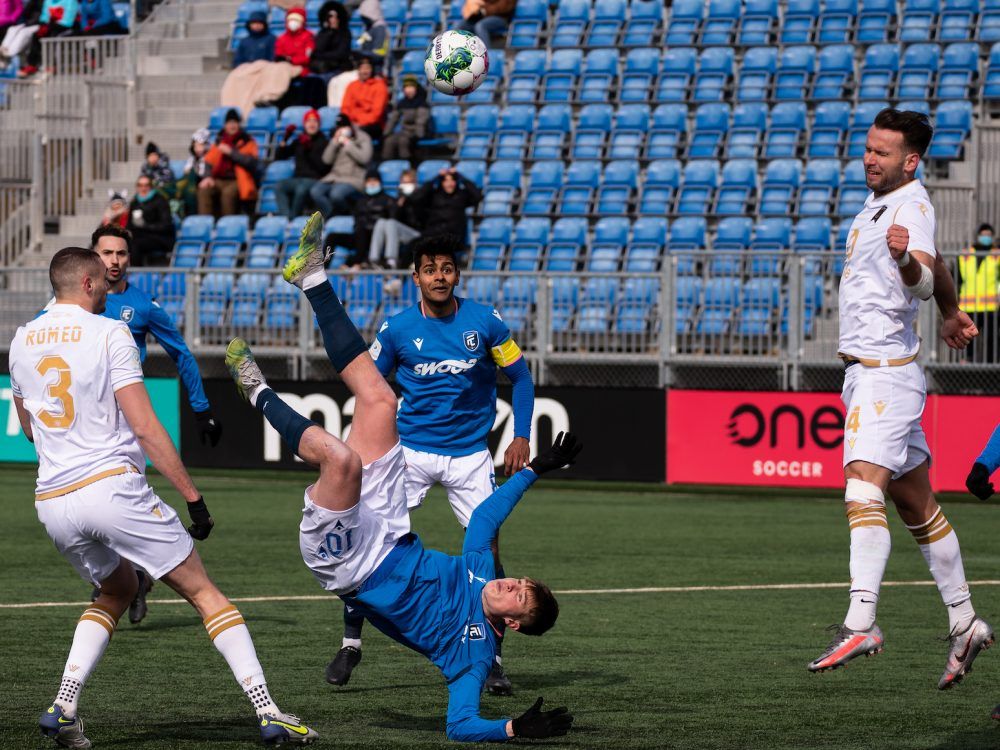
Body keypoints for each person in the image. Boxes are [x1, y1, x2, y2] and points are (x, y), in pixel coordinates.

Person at [223, 211, 574, 742]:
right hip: (398, 518)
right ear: (417, 276)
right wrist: (537, 470)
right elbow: (485, 516)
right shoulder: (480, 569)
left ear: (514, 624)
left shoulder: (474, 654)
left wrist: (508, 729)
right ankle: (312, 278)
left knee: (340, 459)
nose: (512, 584)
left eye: (518, 596)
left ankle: (258, 394)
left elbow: (459, 724)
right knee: (379, 397)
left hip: (354, 564)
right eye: (523, 582)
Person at [10, 247, 317, 749]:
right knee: (203, 592)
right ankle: (270, 712)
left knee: (117, 589)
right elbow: (146, 427)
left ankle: (64, 706)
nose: (110, 288)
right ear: (88, 283)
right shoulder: (109, 333)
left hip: (53, 498)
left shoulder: (21, 340)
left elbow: (26, 429)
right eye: (102, 281)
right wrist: (193, 497)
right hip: (109, 487)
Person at [807, 108, 992, 689]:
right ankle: (964, 620)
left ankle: (862, 619)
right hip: (878, 373)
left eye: (882, 152)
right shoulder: (877, 204)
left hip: (884, 374)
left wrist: (908, 260)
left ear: (909, 161)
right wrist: (949, 310)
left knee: (862, 483)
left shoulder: (910, 204)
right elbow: (937, 282)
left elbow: (922, 271)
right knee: (916, 504)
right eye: (868, 149)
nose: (870, 158)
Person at [323, 232, 535, 695]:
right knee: (369, 544)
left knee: (488, 553)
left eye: (447, 268)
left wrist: (521, 435)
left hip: (471, 456)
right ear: (415, 276)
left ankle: (493, 658)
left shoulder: (487, 323)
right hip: (410, 452)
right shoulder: (397, 329)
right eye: (430, 268)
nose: (440, 276)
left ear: (457, 274)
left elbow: (520, 376)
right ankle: (350, 643)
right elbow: (369, 389)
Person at [199, 108, 260, 218]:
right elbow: (208, 161)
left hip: (238, 179)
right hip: (218, 179)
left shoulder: (247, 141)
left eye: (235, 122)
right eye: (229, 123)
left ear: (238, 124)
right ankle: (205, 224)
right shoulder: (219, 141)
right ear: (225, 125)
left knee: (228, 194)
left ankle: (227, 226)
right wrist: (207, 177)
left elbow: (251, 162)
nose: (232, 126)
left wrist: (231, 152)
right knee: (204, 190)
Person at [310, 113, 372, 217]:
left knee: (336, 195)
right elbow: (326, 160)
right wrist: (334, 143)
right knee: (315, 192)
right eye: (339, 127)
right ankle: (332, 214)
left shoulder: (362, 137)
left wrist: (349, 144)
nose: (342, 129)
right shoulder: (336, 138)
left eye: (344, 126)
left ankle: (346, 214)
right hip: (335, 177)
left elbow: (365, 158)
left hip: (354, 178)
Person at [407, 166, 482, 249]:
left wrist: (460, 176)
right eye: (446, 181)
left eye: (452, 180)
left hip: (453, 236)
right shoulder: (435, 195)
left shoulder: (462, 195)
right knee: (412, 246)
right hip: (433, 233)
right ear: (442, 183)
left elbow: (478, 196)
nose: (449, 184)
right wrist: (436, 177)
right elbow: (416, 198)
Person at [275, 108, 329, 218]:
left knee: (301, 190)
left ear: (319, 124)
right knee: (279, 186)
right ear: (304, 124)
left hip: (314, 179)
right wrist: (285, 139)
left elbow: (323, 167)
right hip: (297, 178)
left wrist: (309, 150)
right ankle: (286, 216)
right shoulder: (299, 140)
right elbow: (280, 156)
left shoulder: (324, 142)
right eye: (309, 121)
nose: (312, 124)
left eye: (315, 121)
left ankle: (293, 218)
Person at [958, 223, 1000, 364]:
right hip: (969, 306)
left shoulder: (997, 255)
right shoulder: (965, 255)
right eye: (984, 234)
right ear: (978, 236)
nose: (986, 237)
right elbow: (956, 279)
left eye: (989, 235)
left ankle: (990, 365)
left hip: (991, 307)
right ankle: (967, 361)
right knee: (967, 338)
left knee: (991, 339)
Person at [369, 168, 419, 268]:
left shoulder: (421, 198)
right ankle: (374, 259)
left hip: (417, 234)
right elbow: (395, 218)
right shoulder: (398, 200)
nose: (406, 185)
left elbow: (417, 221)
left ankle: (391, 260)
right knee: (381, 221)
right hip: (401, 232)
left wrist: (410, 201)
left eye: (409, 182)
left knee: (391, 223)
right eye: (403, 182)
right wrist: (398, 206)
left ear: (414, 183)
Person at [347, 169, 394, 267]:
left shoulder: (388, 200)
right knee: (333, 237)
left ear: (380, 183)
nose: (372, 184)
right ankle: (322, 267)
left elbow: (391, 221)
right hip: (359, 235)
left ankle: (357, 263)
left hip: (377, 236)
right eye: (369, 181)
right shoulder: (360, 201)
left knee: (362, 231)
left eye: (375, 181)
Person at [127, 175, 175, 267]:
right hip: (140, 236)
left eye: (146, 185)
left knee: (135, 245)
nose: (143, 188)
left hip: (159, 238)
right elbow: (129, 224)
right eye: (140, 185)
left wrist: (145, 226)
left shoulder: (160, 200)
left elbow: (166, 225)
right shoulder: (135, 202)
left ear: (151, 186)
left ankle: (136, 275)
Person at [339, 54, 388, 143]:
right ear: (358, 70)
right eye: (362, 68)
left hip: (372, 125)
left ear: (372, 70)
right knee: (336, 132)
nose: (365, 71)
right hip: (352, 123)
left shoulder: (380, 86)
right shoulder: (352, 85)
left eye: (367, 68)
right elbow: (345, 108)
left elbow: (376, 114)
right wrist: (351, 122)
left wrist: (358, 121)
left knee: (359, 132)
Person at [381, 75, 430, 164]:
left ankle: (407, 165)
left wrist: (419, 135)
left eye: (411, 87)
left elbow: (421, 121)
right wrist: (386, 133)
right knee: (389, 141)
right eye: (406, 87)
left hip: (418, 132)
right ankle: (387, 165)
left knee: (403, 141)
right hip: (405, 131)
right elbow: (393, 119)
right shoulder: (402, 103)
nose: (408, 90)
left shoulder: (422, 103)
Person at [168, 128, 212, 218]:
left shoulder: (209, 157)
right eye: (196, 146)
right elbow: (186, 171)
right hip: (190, 182)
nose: (198, 149)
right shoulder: (192, 158)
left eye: (200, 145)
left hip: (201, 182)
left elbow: (203, 173)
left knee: (190, 184)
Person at [309, 0, 351, 79]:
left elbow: (341, 54)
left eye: (335, 16)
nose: (333, 19)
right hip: (322, 67)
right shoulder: (323, 32)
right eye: (330, 16)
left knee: (323, 80)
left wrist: (322, 55)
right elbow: (317, 49)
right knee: (310, 79)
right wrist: (330, 32)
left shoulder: (345, 33)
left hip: (337, 67)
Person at [273, 5, 314, 70]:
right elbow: (279, 54)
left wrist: (292, 60)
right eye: (291, 20)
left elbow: (307, 56)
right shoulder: (282, 38)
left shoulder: (308, 36)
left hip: (302, 69)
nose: (293, 23)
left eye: (296, 20)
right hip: (284, 68)